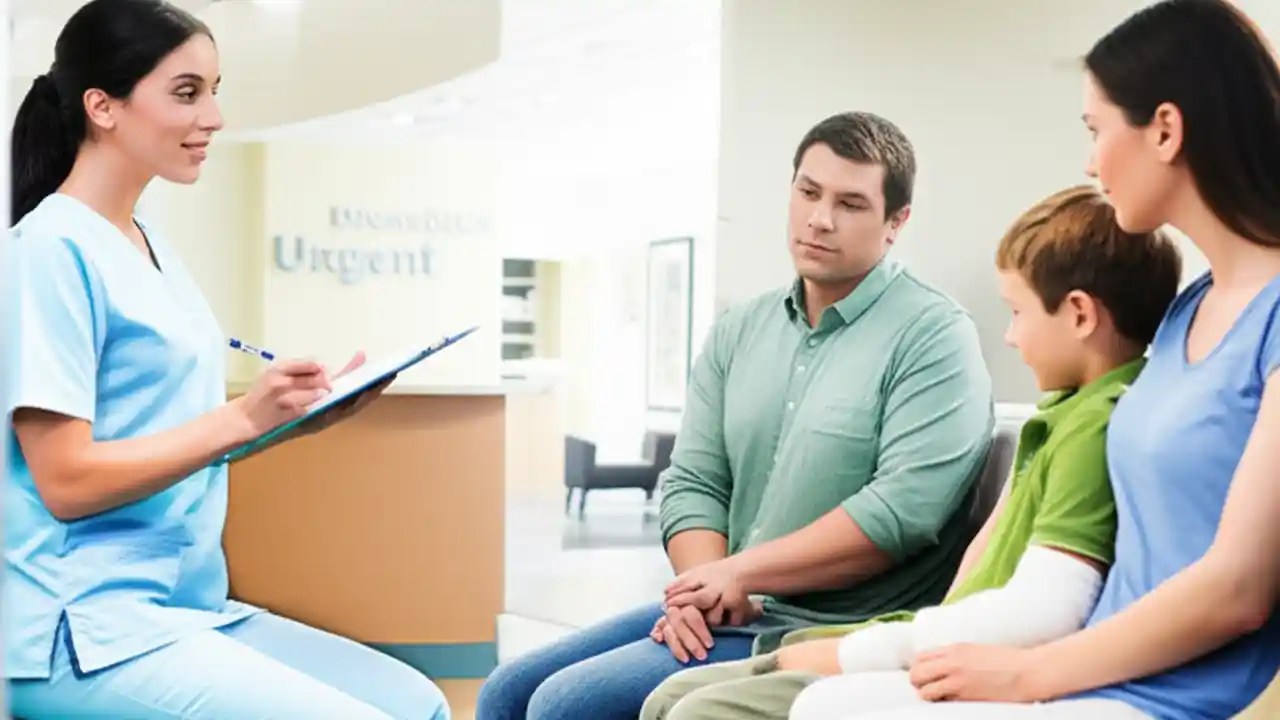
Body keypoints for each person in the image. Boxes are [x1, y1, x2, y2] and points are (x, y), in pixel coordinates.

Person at [3, 1, 448, 718]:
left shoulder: (148, 246)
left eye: (215, 90)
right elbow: (65, 480)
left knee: (416, 703)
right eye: (187, 92)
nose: (213, 116)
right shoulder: (48, 251)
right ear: (102, 107)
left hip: (186, 605)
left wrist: (291, 422)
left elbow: (168, 439)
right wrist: (243, 417)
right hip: (79, 627)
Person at [475, 111, 995, 720]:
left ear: (895, 222)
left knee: (567, 706)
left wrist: (739, 574)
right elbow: (695, 480)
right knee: (505, 691)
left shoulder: (933, 336)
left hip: (834, 630)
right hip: (733, 610)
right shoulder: (740, 330)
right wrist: (705, 590)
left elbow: (902, 512)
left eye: (851, 203)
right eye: (808, 192)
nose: (819, 219)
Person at [845, 1, 1280, 718]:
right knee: (829, 704)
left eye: (1095, 129)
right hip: (1103, 675)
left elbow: (1237, 591)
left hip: (1193, 699)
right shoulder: (1184, 313)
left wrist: (1028, 676)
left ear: (1165, 130)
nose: (1088, 160)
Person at [636, 184, 1182, 720]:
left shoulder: (1097, 423)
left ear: (1080, 315)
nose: (1011, 338)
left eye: (1017, 313)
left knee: (697, 710)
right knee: (670, 697)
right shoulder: (1064, 413)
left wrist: (854, 652)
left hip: (956, 656)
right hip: (933, 638)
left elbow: (1045, 609)